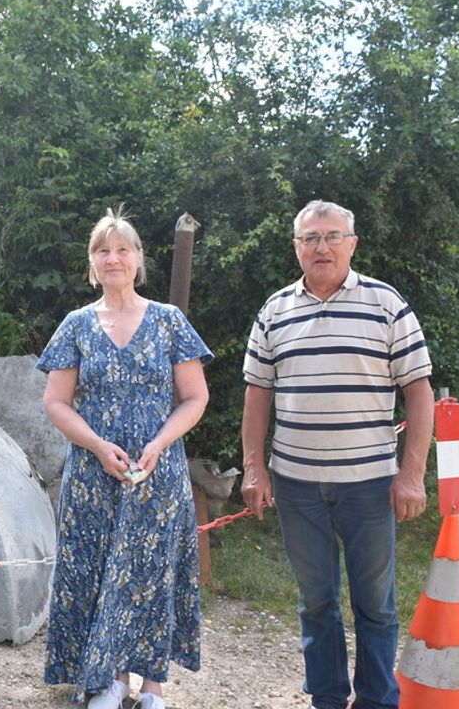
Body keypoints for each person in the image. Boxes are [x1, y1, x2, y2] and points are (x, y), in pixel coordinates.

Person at [240, 200, 434, 709]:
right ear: (297, 247)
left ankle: (376, 700)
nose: (320, 247)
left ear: (352, 243)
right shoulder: (274, 311)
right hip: (297, 486)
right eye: (310, 238)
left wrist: (411, 475)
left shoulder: (386, 304)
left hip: (369, 485)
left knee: (376, 604)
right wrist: (255, 468)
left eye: (331, 236)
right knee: (316, 602)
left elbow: (419, 391)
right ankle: (326, 698)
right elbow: (257, 395)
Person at [38, 207, 212, 709]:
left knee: (152, 575)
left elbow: (195, 399)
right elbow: (55, 401)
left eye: (122, 249)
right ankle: (109, 681)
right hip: (93, 475)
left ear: (139, 259)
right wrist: (96, 445)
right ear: (92, 264)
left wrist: (158, 444)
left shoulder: (168, 321)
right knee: (96, 572)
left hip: (157, 475)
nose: (112, 258)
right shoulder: (75, 325)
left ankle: (152, 688)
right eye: (102, 250)